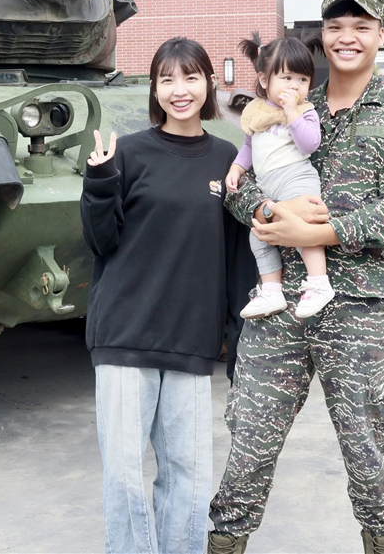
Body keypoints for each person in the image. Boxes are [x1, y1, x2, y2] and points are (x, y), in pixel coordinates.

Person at [208, 0, 384, 554]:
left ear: (381, 34)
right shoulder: (289, 97)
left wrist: (311, 232)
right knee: (247, 447)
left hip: (358, 307)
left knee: (369, 448)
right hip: (276, 305)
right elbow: (238, 186)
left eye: (361, 26)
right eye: (336, 26)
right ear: (322, 35)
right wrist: (263, 209)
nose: (347, 37)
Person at [80, 36, 255, 554]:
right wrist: (99, 180)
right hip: (126, 332)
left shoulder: (228, 158)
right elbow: (99, 241)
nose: (180, 90)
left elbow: (238, 258)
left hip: (192, 338)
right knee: (127, 474)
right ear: (155, 88)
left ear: (208, 83)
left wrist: (238, 340)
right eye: (167, 79)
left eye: (191, 77)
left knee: (189, 476)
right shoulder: (127, 151)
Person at [226, 33, 334, 320]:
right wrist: (237, 168)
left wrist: (291, 114)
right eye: (286, 78)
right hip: (267, 185)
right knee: (259, 236)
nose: (295, 86)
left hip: (295, 179)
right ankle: (271, 290)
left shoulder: (305, 111)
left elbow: (309, 144)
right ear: (264, 81)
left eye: (302, 79)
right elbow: (249, 146)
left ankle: (319, 283)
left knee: (303, 232)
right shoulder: (256, 113)